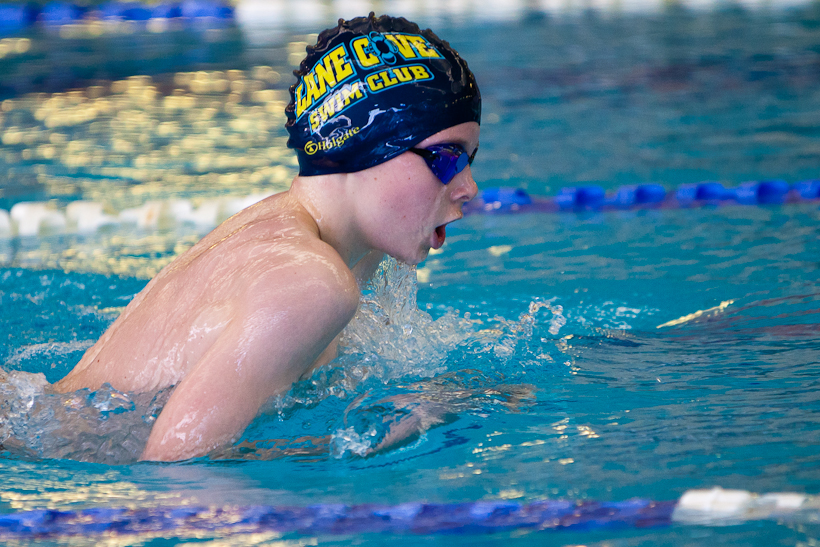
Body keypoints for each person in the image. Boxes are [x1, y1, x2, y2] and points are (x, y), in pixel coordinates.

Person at [53, 13, 481, 462]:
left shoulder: (304, 234)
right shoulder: (311, 283)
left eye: (470, 158)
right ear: (363, 145)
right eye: (447, 158)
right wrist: (377, 437)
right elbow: (175, 470)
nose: (469, 186)